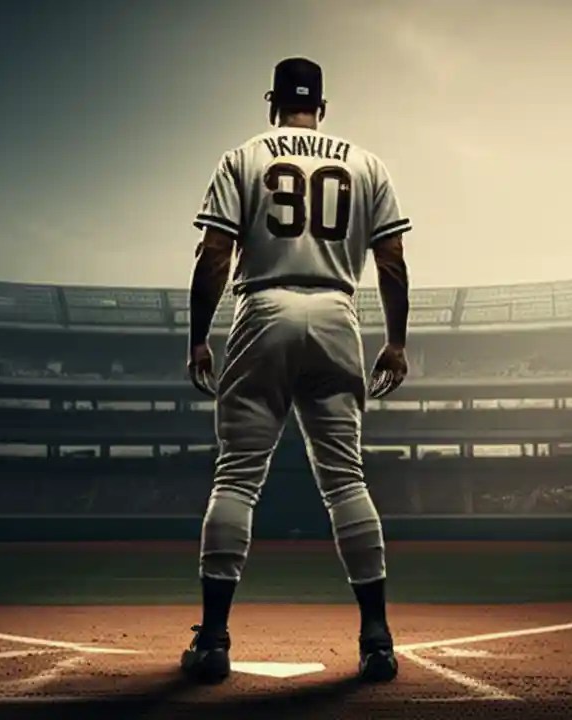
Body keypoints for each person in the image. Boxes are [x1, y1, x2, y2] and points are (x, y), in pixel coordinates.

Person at [182, 57, 411, 684]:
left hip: (263, 308)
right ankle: (377, 636)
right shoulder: (365, 162)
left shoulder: (244, 156)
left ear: (272, 103)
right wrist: (395, 342)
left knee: (237, 477)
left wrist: (199, 338)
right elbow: (390, 259)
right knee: (346, 480)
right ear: (323, 108)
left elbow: (214, 255)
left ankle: (215, 639)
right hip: (338, 311)